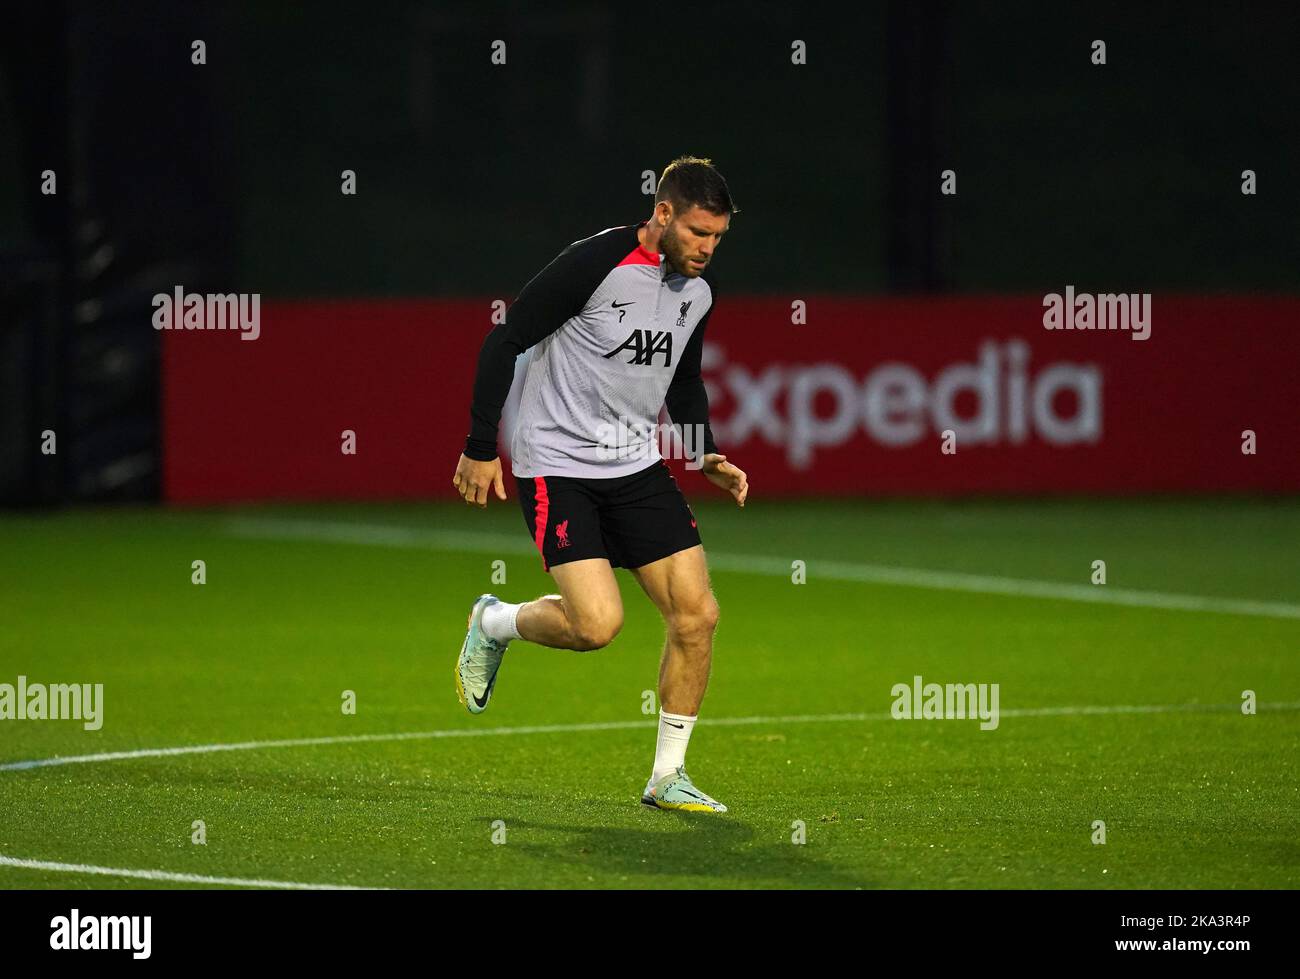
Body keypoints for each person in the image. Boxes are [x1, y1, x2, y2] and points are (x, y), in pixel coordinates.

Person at [452, 156, 748, 813]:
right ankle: (494, 621)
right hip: (556, 462)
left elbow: (685, 377)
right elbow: (505, 340)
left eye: (719, 237)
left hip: (635, 463)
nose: (708, 248)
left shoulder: (699, 290)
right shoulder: (595, 263)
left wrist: (703, 452)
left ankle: (667, 776)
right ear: (663, 214)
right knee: (596, 625)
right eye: (700, 232)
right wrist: (479, 447)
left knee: (698, 615)